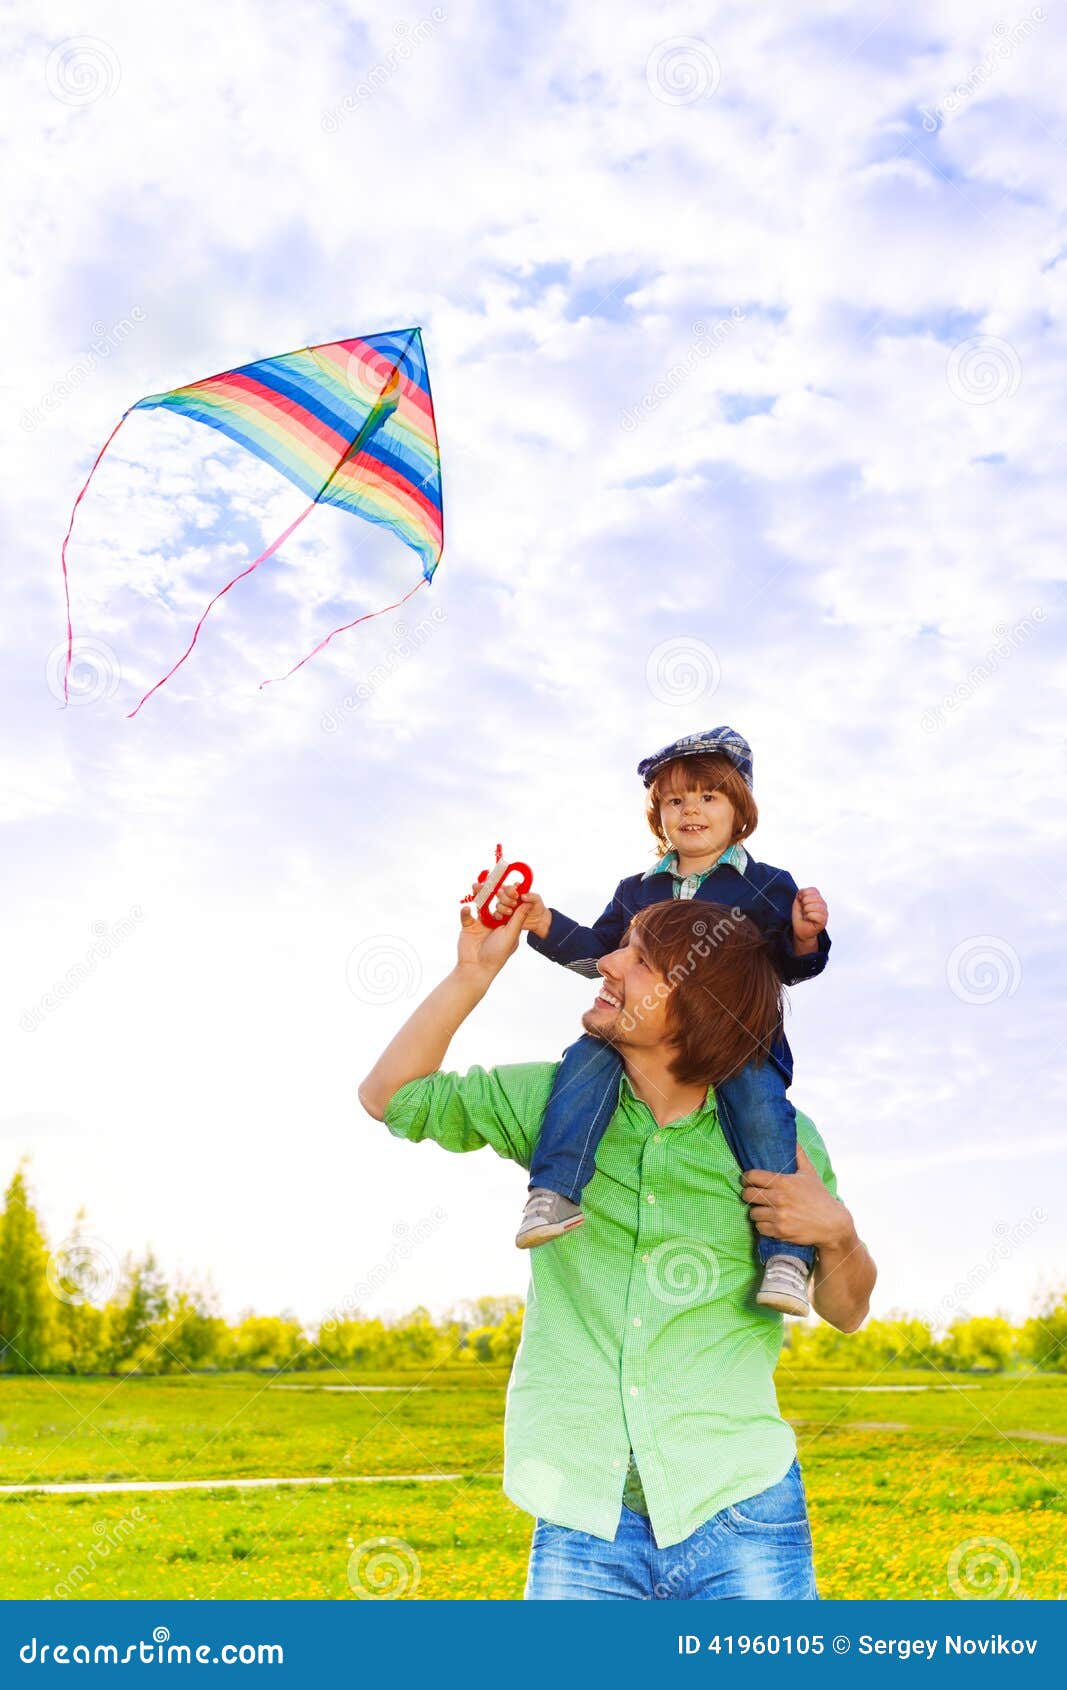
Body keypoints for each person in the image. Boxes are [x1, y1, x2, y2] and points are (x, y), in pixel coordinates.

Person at [358, 893, 875, 1600]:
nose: (604, 962)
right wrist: (471, 976)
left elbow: (846, 1311)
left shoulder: (783, 1140)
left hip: (740, 1506)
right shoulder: (552, 1103)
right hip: (582, 1512)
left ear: (696, 1001)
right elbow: (390, 1096)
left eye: (637, 959)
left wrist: (836, 1232)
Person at [498, 726, 829, 1318]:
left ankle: (786, 1254)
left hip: (734, 1034)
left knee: (760, 1109)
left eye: (708, 796)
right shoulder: (637, 890)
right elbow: (601, 952)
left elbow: (783, 965)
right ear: (659, 817)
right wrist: (544, 922)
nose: (690, 809)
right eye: (676, 800)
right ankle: (555, 1190)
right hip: (642, 1032)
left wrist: (804, 937)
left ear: (740, 811)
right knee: (584, 1062)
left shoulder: (767, 884)